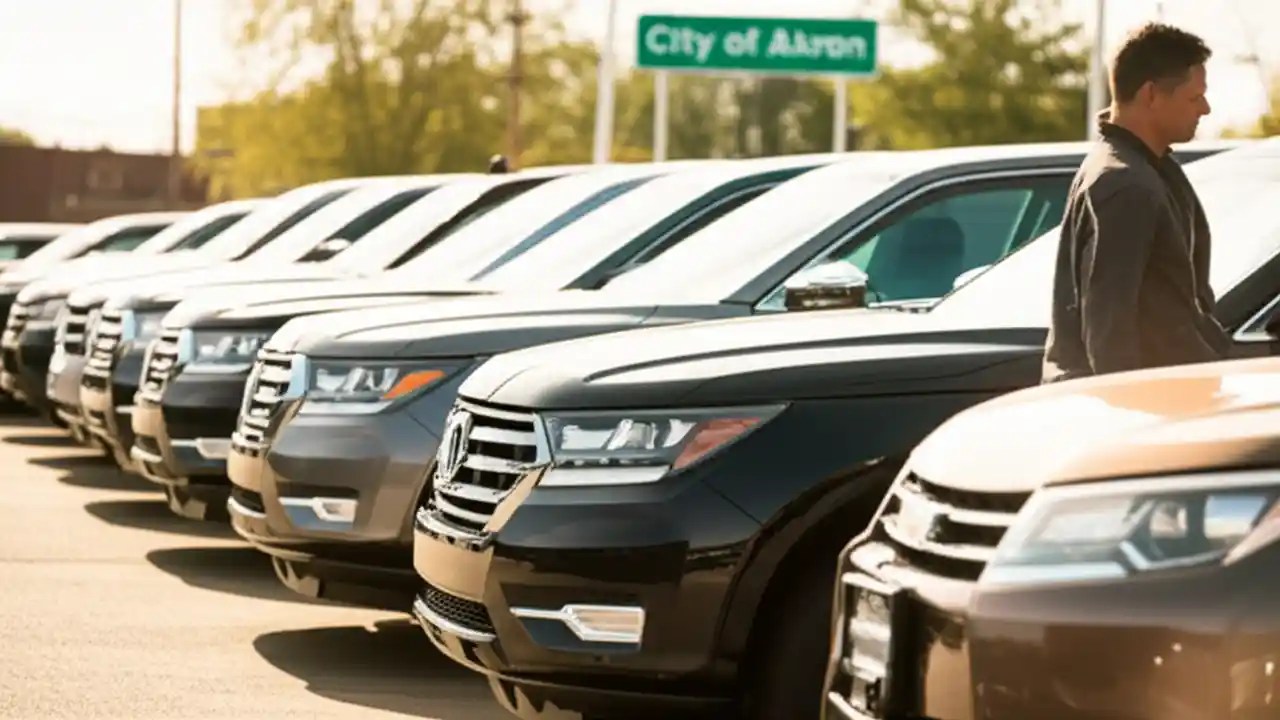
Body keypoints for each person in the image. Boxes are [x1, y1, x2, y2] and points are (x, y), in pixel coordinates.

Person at [1042, 23, 1229, 383]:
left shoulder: (1142, 168)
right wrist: (1131, 421)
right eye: (1194, 97)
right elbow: (1109, 330)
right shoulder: (1125, 182)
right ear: (1151, 95)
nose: (1205, 109)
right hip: (1143, 411)